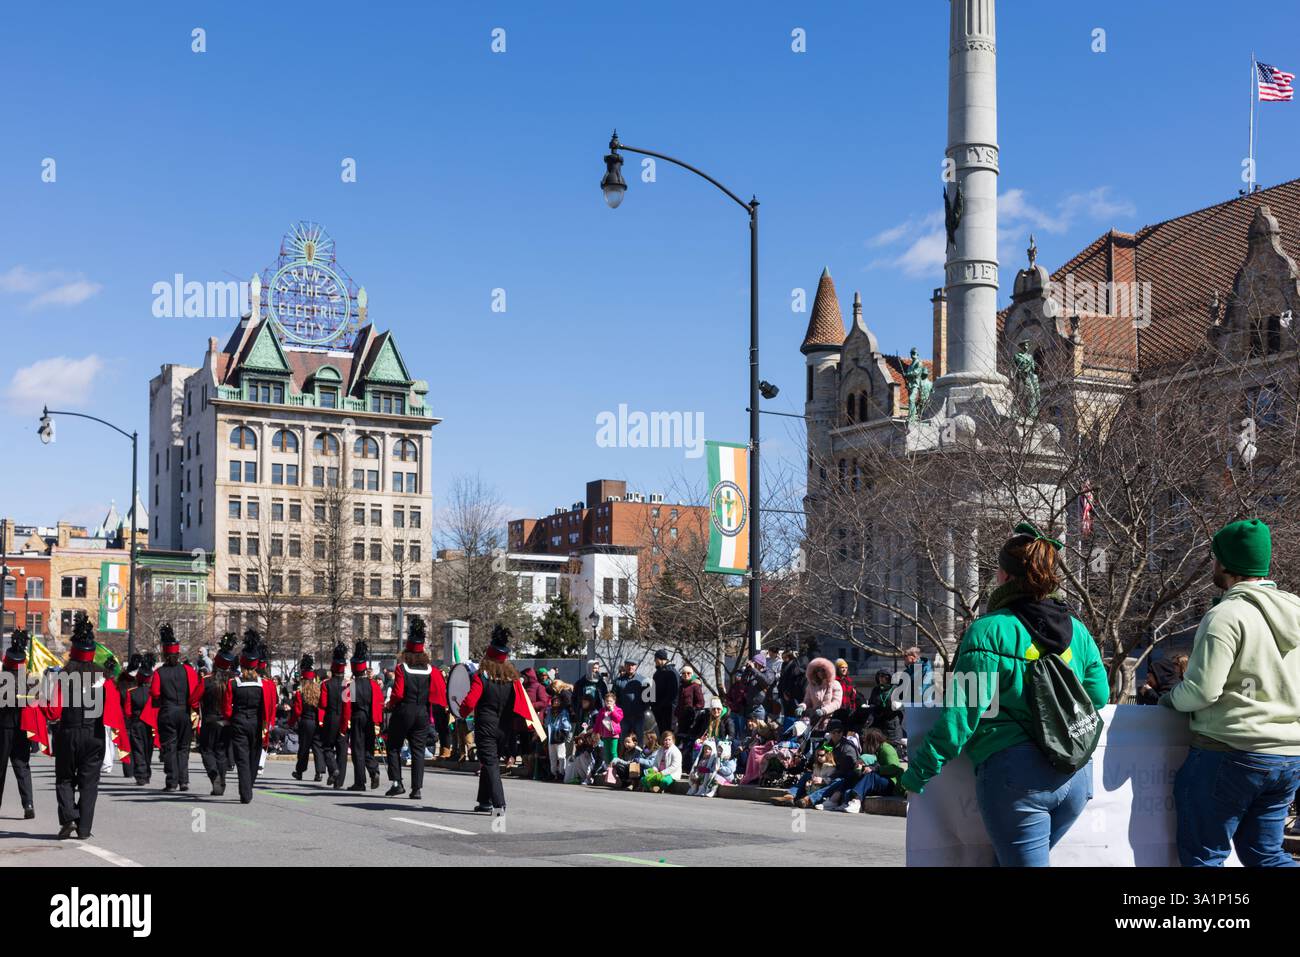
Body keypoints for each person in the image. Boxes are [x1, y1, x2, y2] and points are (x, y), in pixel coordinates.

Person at [899, 522, 1109, 867]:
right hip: (1075, 776)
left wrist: (916, 774)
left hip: (1018, 778)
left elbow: (961, 718)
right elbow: (1098, 696)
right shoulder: (1079, 631)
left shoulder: (988, 632)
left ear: (1005, 576)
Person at [1165, 519, 1300, 867]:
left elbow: (1202, 691)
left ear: (1224, 564)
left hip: (1229, 752)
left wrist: (1170, 698)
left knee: (1205, 857)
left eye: (1215, 558)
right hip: (1288, 756)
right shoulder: (1296, 611)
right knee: (1267, 855)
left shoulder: (1225, 615)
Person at [42, 613, 126, 839]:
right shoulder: (103, 678)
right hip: (94, 734)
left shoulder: (64, 675)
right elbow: (114, 708)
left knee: (65, 778)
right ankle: (84, 828)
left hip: (68, 732)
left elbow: (53, 711)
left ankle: (69, 817)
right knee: (89, 783)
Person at [454, 625, 539, 812]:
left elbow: (469, 703)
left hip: (486, 727)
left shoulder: (481, 677)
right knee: (489, 761)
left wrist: (460, 710)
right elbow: (522, 703)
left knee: (490, 763)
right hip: (505, 729)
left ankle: (499, 803)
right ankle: (484, 802)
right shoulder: (514, 680)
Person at [384, 617, 448, 799]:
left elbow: (397, 693)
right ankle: (417, 788)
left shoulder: (401, 668)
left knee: (394, 746)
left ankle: (396, 783)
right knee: (418, 750)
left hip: (404, 711)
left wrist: (389, 704)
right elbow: (439, 691)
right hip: (422, 713)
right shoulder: (430, 669)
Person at [148, 623, 203, 792]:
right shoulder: (188, 671)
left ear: (165, 655)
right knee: (183, 748)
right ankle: (184, 781)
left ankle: (171, 781)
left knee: (170, 747)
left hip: (167, 712)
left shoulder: (159, 673)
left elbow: (155, 693)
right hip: (184, 713)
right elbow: (195, 692)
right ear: (178, 654)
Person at [223, 633, 274, 804]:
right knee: (253, 755)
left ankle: (246, 791)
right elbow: (268, 706)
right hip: (256, 723)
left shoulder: (233, 683)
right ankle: (248, 786)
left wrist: (230, 719)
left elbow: (227, 707)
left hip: (239, 723)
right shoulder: (264, 684)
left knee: (242, 758)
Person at [0, 631, 42, 819]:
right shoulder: (31, 681)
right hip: (23, 728)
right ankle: (28, 803)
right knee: (22, 766)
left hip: (3, 728)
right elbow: (37, 707)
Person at [343, 640, 383, 792]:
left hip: (357, 717)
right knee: (368, 749)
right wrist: (378, 723)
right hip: (371, 718)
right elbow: (379, 703)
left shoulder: (351, 686)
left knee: (358, 750)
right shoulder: (373, 684)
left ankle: (360, 782)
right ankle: (373, 770)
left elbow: (345, 704)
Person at [199, 636, 236, 794]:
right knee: (221, 751)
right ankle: (222, 779)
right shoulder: (233, 681)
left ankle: (214, 775)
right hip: (226, 721)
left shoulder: (207, 680)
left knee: (207, 750)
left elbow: (194, 698)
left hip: (209, 720)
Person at [842, 728, 906, 811]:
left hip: (892, 785)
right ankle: (844, 801)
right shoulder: (878, 750)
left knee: (871, 776)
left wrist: (875, 769)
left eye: (866, 742)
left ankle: (857, 801)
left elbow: (895, 768)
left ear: (872, 741)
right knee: (852, 775)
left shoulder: (887, 749)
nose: (865, 744)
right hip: (882, 781)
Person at [290, 653, 325, 783]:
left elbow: (297, 710)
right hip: (316, 721)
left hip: (305, 721)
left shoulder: (300, 692)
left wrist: (291, 722)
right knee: (317, 747)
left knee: (304, 748)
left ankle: (299, 771)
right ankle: (319, 772)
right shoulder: (319, 690)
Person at [318, 642, 349, 788]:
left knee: (327, 747)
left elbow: (323, 703)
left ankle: (333, 769)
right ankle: (339, 782)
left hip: (330, 717)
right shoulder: (349, 685)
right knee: (342, 751)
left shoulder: (326, 684)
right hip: (344, 717)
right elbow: (348, 706)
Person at [125, 653, 158, 786]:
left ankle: (141, 775)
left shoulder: (131, 691)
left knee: (138, 750)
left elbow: (127, 711)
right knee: (148, 749)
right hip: (150, 723)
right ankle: (147, 773)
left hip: (137, 723)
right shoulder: (152, 692)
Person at [863, 670, 905, 751]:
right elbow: (872, 702)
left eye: (883, 677)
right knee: (879, 746)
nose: (881, 679)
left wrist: (898, 705)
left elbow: (902, 704)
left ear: (888, 678)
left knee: (893, 747)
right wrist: (869, 707)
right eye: (879, 677)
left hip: (892, 723)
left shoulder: (896, 689)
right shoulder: (876, 690)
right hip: (879, 723)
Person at [675, 664, 705, 771]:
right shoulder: (681, 686)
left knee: (689, 743)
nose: (686, 675)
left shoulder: (695, 686)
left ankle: (688, 766)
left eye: (688, 673)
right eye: (683, 673)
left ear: (692, 674)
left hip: (691, 719)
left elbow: (701, 703)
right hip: (681, 718)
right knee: (680, 742)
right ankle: (681, 765)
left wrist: (693, 710)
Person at [802, 657, 842, 727]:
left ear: (828, 671)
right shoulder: (811, 685)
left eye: (823, 670)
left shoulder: (835, 684)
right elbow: (807, 701)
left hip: (830, 720)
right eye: (818, 670)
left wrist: (824, 710)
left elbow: (837, 703)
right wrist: (802, 707)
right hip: (814, 721)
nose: (820, 672)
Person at [612, 660, 648, 738]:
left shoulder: (643, 680)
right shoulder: (618, 681)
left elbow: (647, 699)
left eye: (633, 665)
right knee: (623, 740)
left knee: (639, 740)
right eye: (628, 665)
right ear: (625, 666)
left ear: (636, 666)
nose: (630, 667)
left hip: (639, 717)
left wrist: (643, 709)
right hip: (623, 717)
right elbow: (613, 698)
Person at [650, 649, 679, 740]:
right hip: (659, 710)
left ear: (660, 659)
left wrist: (662, 705)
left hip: (669, 710)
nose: (654, 661)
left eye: (656, 659)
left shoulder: (671, 672)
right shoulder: (658, 673)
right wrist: (654, 705)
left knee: (669, 733)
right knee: (662, 732)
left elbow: (674, 693)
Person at [545, 697, 573, 782]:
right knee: (552, 756)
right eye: (555, 701)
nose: (556, 702)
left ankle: (561, 773)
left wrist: (563, 731)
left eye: (558, 701)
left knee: (561, 756)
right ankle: (553, 773)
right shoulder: (549, 711)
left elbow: (568, 726)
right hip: (551, 736)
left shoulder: (563, 712)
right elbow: (546, 723)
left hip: (559, 736)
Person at [595, 692, 623, 766]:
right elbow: (598, 722)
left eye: (610, 701)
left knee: (613, 752)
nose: (608, 702)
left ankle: (615, 767)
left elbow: (618, 719)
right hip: (605, 735)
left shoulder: (618, 709)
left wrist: (612, 710)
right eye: (607, 701)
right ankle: (608, 767)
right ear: (604, 701)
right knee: (606, 752)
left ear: (614, 702)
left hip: (614, 735)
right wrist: (595, 732)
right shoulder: (602, 711)